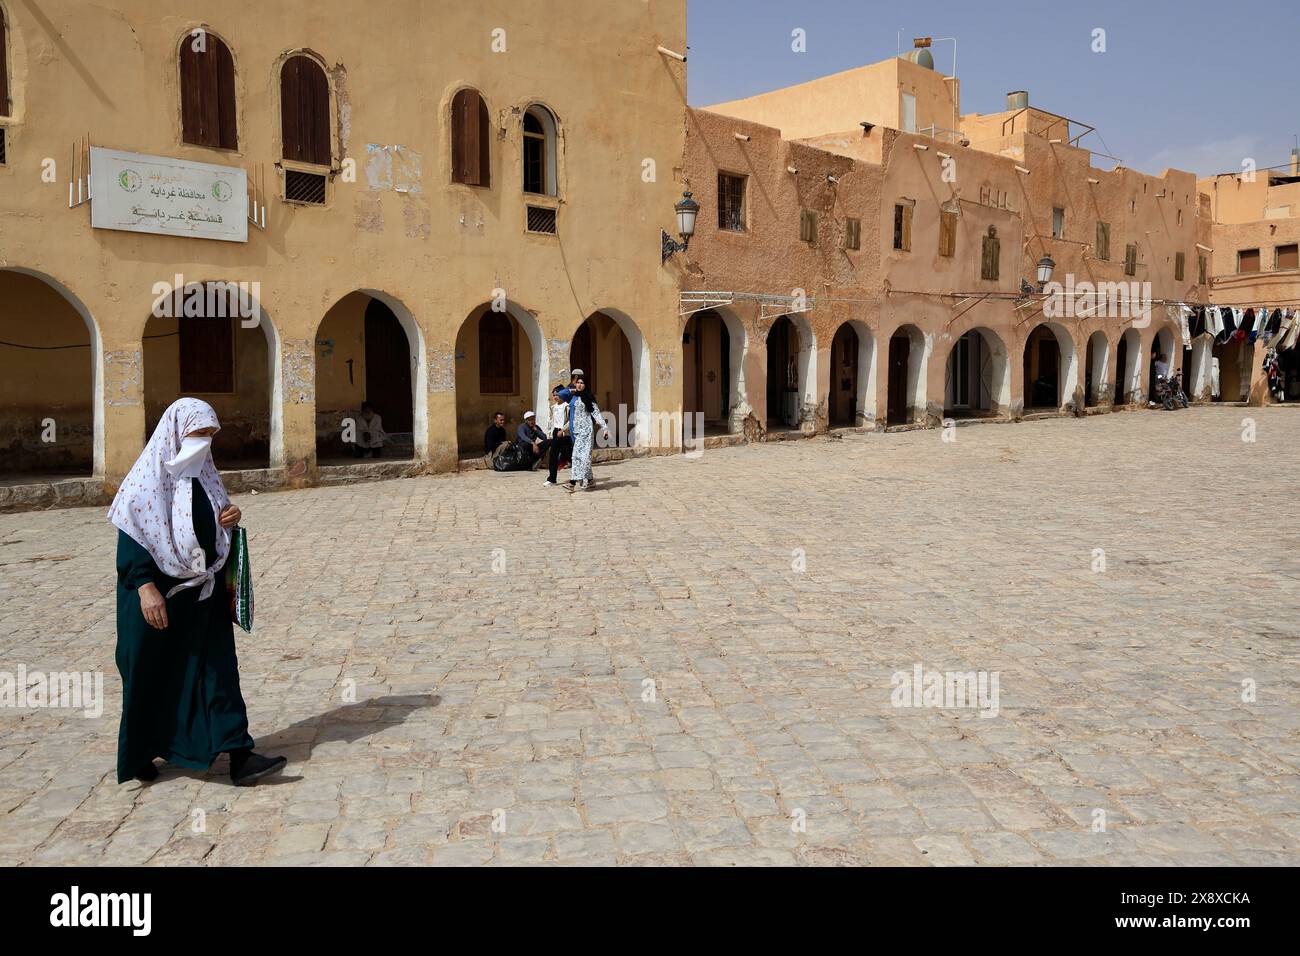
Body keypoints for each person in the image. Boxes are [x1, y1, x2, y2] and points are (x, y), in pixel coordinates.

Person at [108, 398, 286, 787]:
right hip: (159, 598)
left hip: (203, 596)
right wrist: (145, 587)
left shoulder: (205, 474)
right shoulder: (144, 482)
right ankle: (142, 751)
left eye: (209, 435)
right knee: (150, 674)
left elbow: (212, 517)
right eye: (197, 433)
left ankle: (240, 753)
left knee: (218, 670)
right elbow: (134, 534)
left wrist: (229, 517)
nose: (204, 442)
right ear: (175, 433)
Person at [556, 373, 610, 490]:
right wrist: (572, 388)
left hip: (586, 431)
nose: (580, 385)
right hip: (575, 432)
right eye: (578, 383)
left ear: (586, 385)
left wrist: (604, 428)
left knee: (578, 456)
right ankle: (590, 481)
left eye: (582, 383)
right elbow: (560, 394)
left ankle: (572, 483)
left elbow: (596, 413)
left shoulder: (588, 397)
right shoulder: (573, 396)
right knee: (583, 457)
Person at [544, 385, 573, 488]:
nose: (555, 397)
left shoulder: (568, 406)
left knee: (569, 455)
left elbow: (571, 421)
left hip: (565, 433)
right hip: (556, 431)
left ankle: (581, 476)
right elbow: (552, 421)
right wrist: (550, 432)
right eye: (554, 395)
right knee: (553, 455)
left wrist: (563, 430)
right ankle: (552, 479)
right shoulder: (554, 407)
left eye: (557, 394)